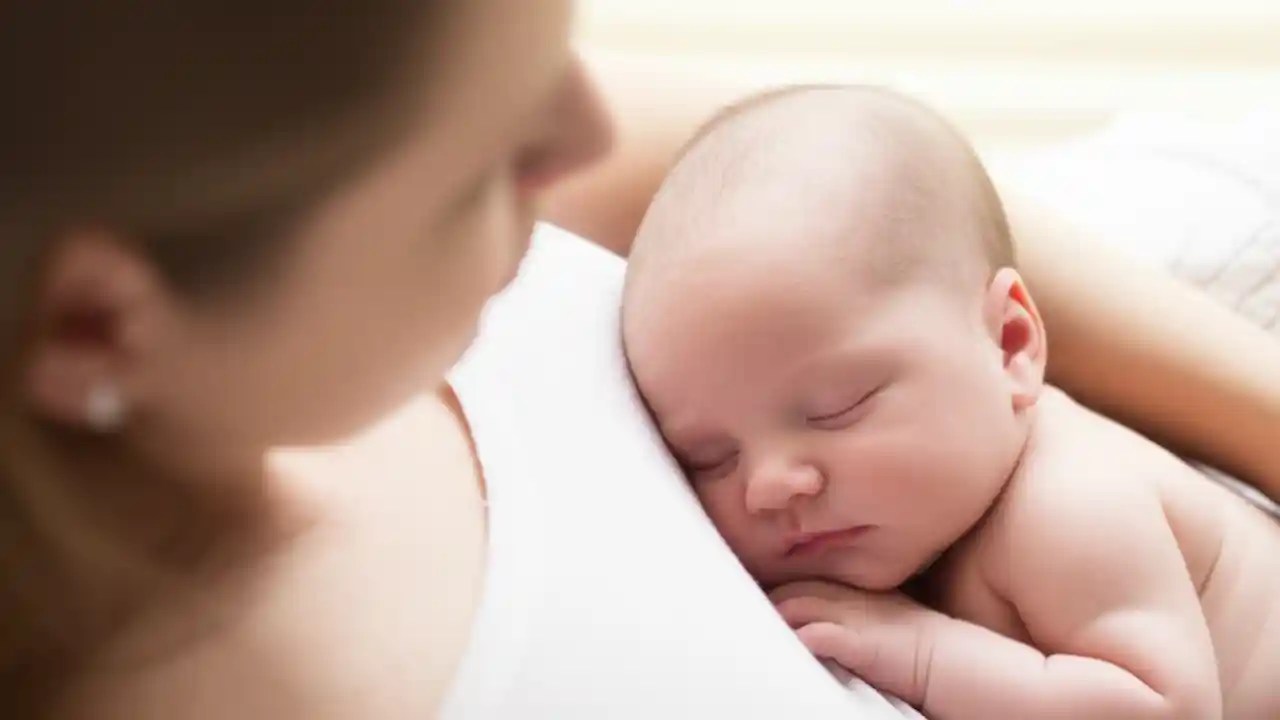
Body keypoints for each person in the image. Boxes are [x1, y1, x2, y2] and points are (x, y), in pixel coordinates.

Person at [1, 2, 1277, 718]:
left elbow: (836, 170)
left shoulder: (1061, 494)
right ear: (103, 332)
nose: (588, 131)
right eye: (472, 169)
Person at [622, 85, 1279, 719]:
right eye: (708, 456)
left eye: (837, 408)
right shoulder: (915, 516)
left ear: (1011, 345)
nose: (767, 486)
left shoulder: (1069, 508)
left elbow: (1168, 707)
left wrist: (923, 655)